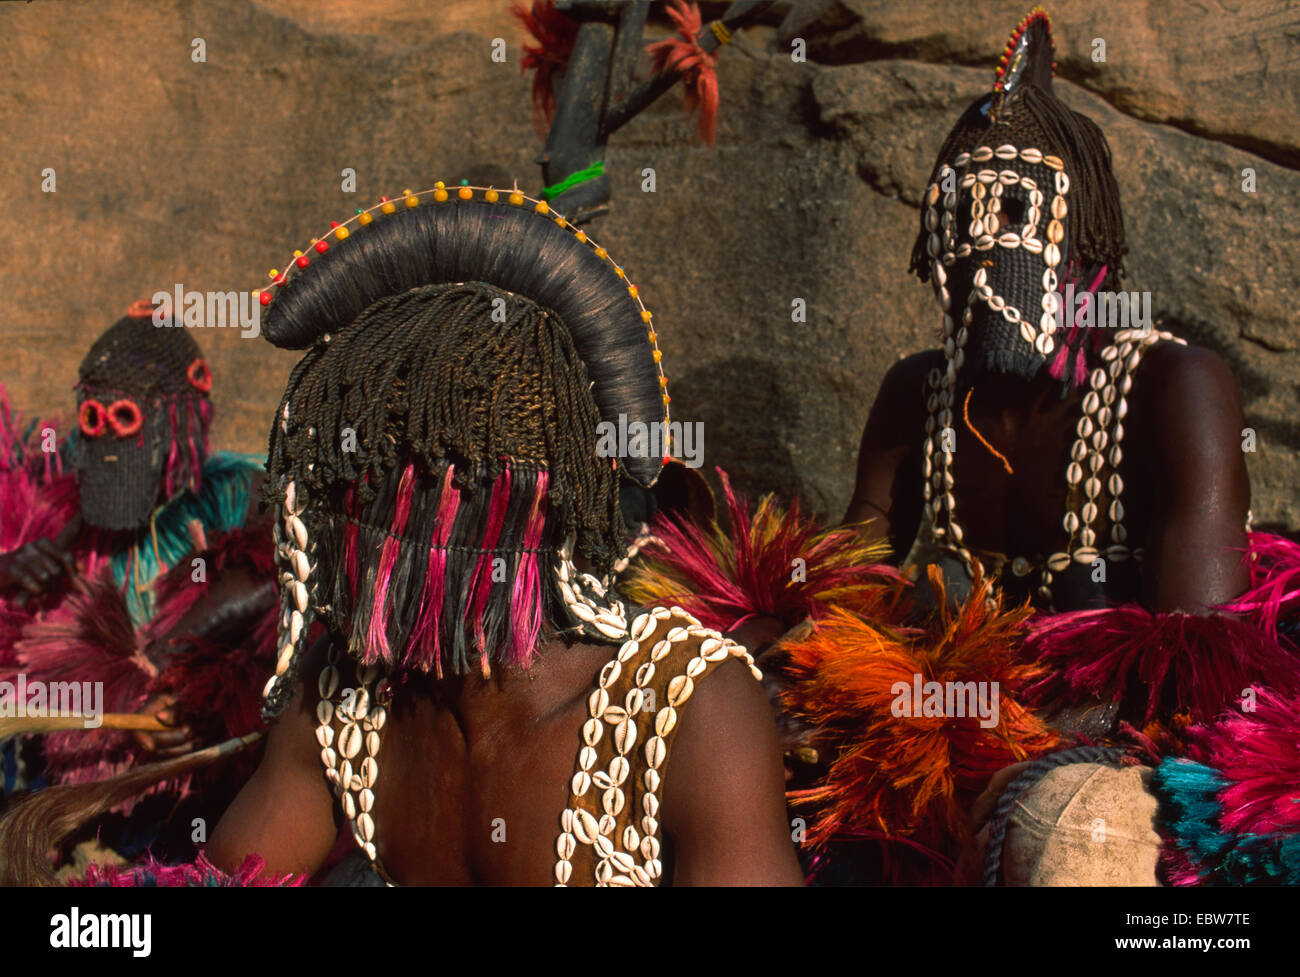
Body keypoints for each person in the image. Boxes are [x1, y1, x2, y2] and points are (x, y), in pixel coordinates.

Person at [204, 182, 803, 886]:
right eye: (340, 481)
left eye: (374, 484)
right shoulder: (345, 696)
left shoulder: (690, 709)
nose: (337, 523)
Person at [0, 303, 278, 863]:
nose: (110, 451)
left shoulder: (244, 502)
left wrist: (207, 713)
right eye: (96, 426)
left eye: (128, 424)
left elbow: (284, 641)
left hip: (202, 808)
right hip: (72, 806)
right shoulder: (64, 516)